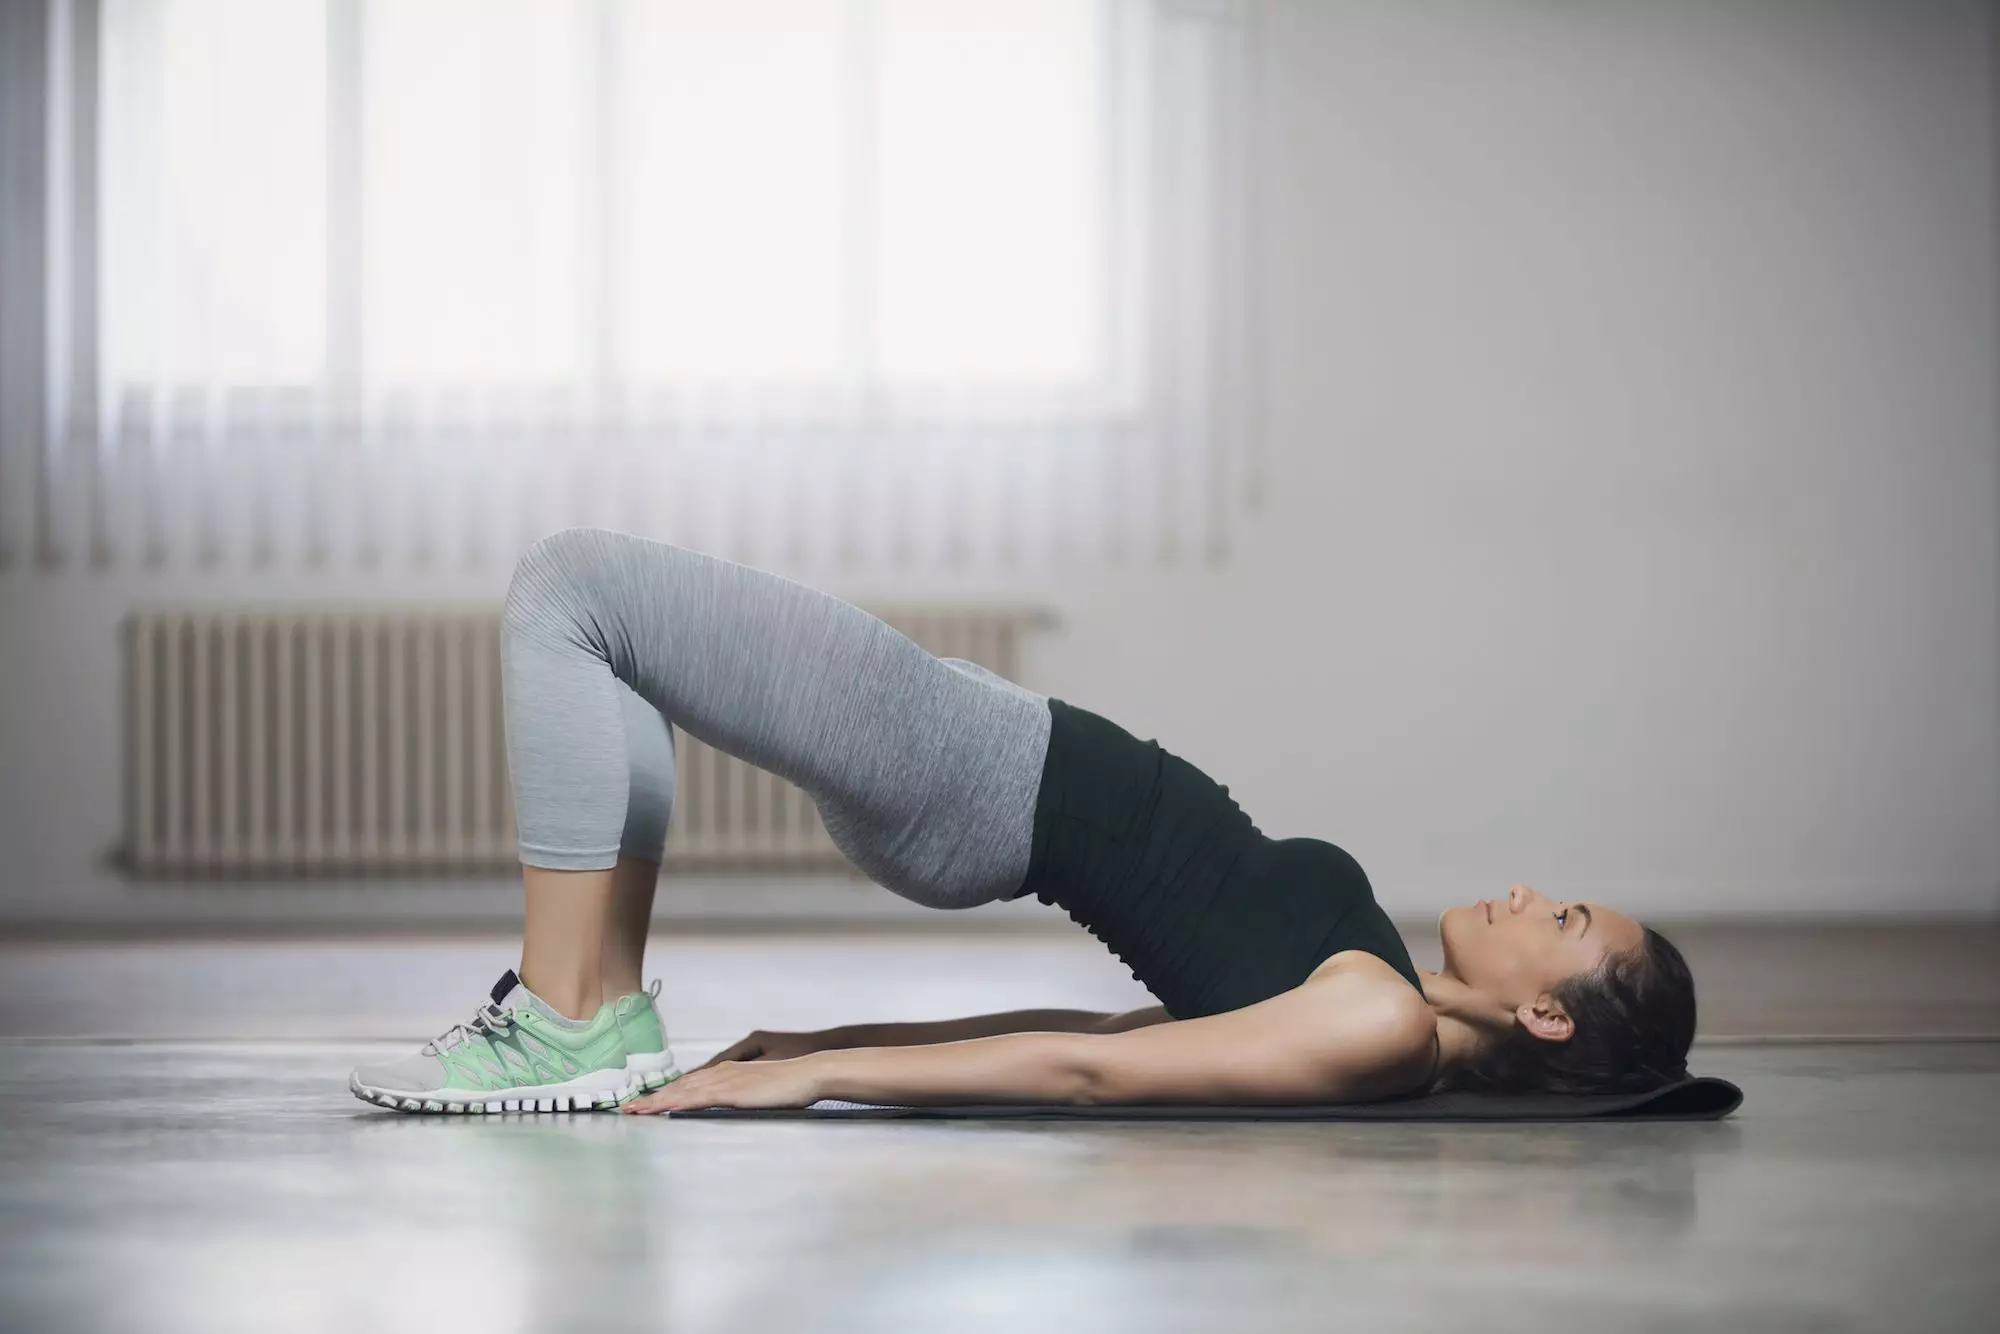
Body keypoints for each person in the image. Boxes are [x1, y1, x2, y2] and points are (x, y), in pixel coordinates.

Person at [348, 527, 1696, 1116]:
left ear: (1552, 1016)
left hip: (968, 768)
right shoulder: (1381, 1007)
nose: (1531, 893)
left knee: (571, 589)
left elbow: (1086, 1076)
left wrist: (814, 1082)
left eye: (1564, 920)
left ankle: (568, 1014)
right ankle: (600, 1015)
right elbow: (1121, 1035)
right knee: (611, 637)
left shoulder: (1382, 1025)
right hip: (977, 757)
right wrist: (827, 1035)